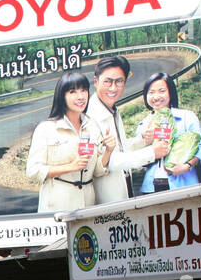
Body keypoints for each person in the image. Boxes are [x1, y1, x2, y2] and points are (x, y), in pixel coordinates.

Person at [85, 55, 170, 202]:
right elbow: (110, 161)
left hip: (123, 189)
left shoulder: (112, 109)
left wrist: (141, 141)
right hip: (106, 197)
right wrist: (151, 152)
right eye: (107, 81)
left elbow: (119, 148)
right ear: (96, 82)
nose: (113, 88)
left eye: (119, 81)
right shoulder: (90, 117)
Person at [26, 71, 111, 212]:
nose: (80, 96)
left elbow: (97, 171)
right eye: (73, 92)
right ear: (62, 96)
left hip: (88, 203)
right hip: (57, 204)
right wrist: (71, 166)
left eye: (84, 90)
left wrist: (108, 150)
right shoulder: (46, 128)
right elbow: (33, 171)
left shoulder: (92, 126)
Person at [133, 72, 201, 193]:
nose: (156, 97)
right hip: (151, 187)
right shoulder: (143, 125)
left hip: (184, 184)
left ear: (170, 92)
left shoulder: (187, 117)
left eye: (161, 91)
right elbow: (138, 159)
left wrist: (186, 166)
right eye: (151, 93)